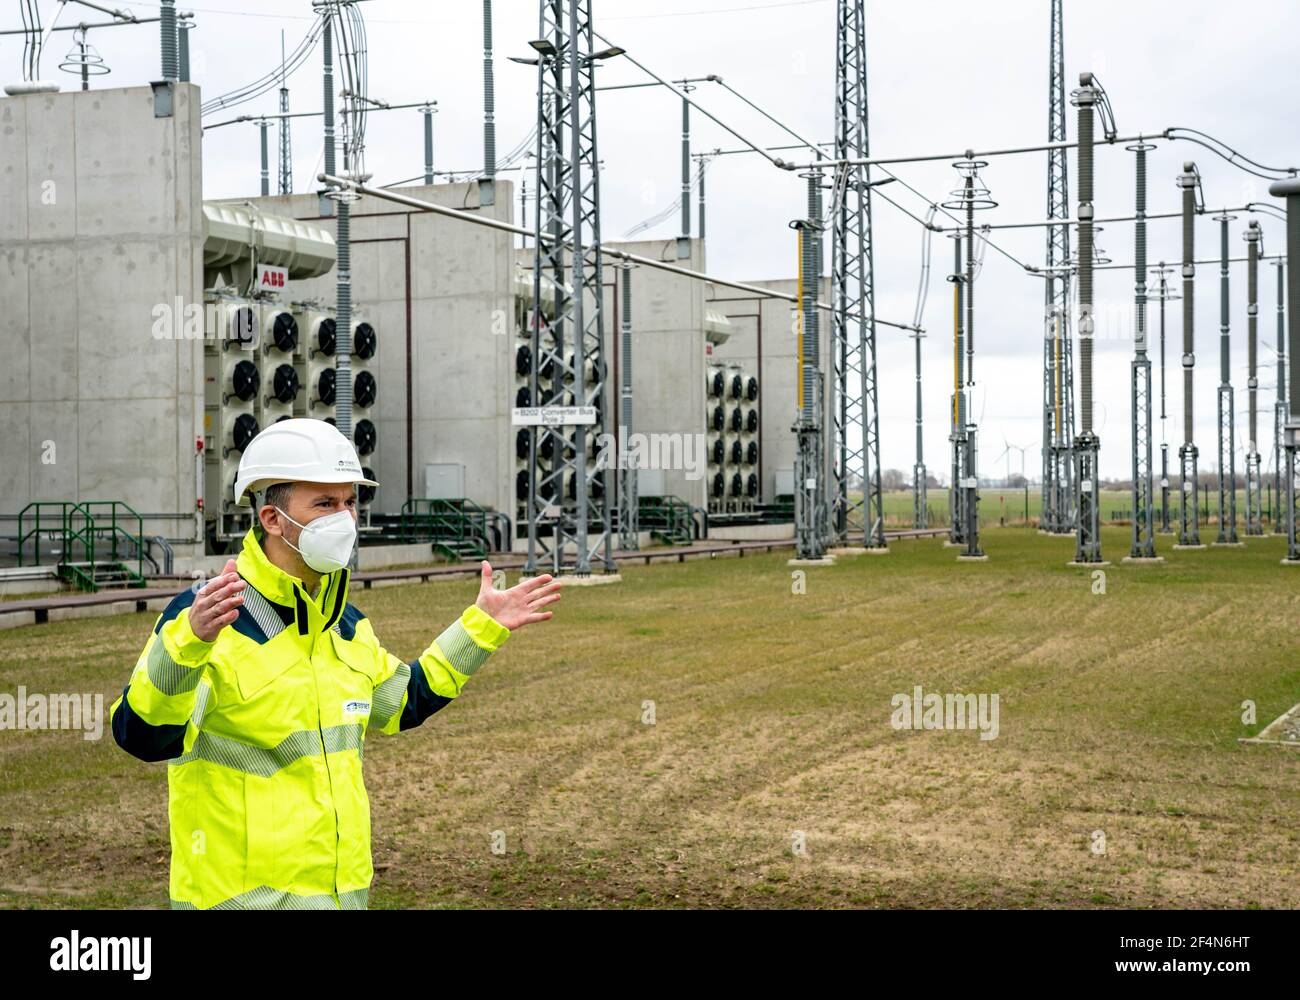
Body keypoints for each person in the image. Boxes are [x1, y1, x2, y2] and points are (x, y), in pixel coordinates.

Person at [110, 418, 561, 909]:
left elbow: (402, 702)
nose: (343, 518)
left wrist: (479, 627)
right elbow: (143, 737)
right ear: (272, 519)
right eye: (324, 504)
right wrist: (190, 643)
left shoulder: (344, 623)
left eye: (349, 502)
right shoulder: (211, 619)